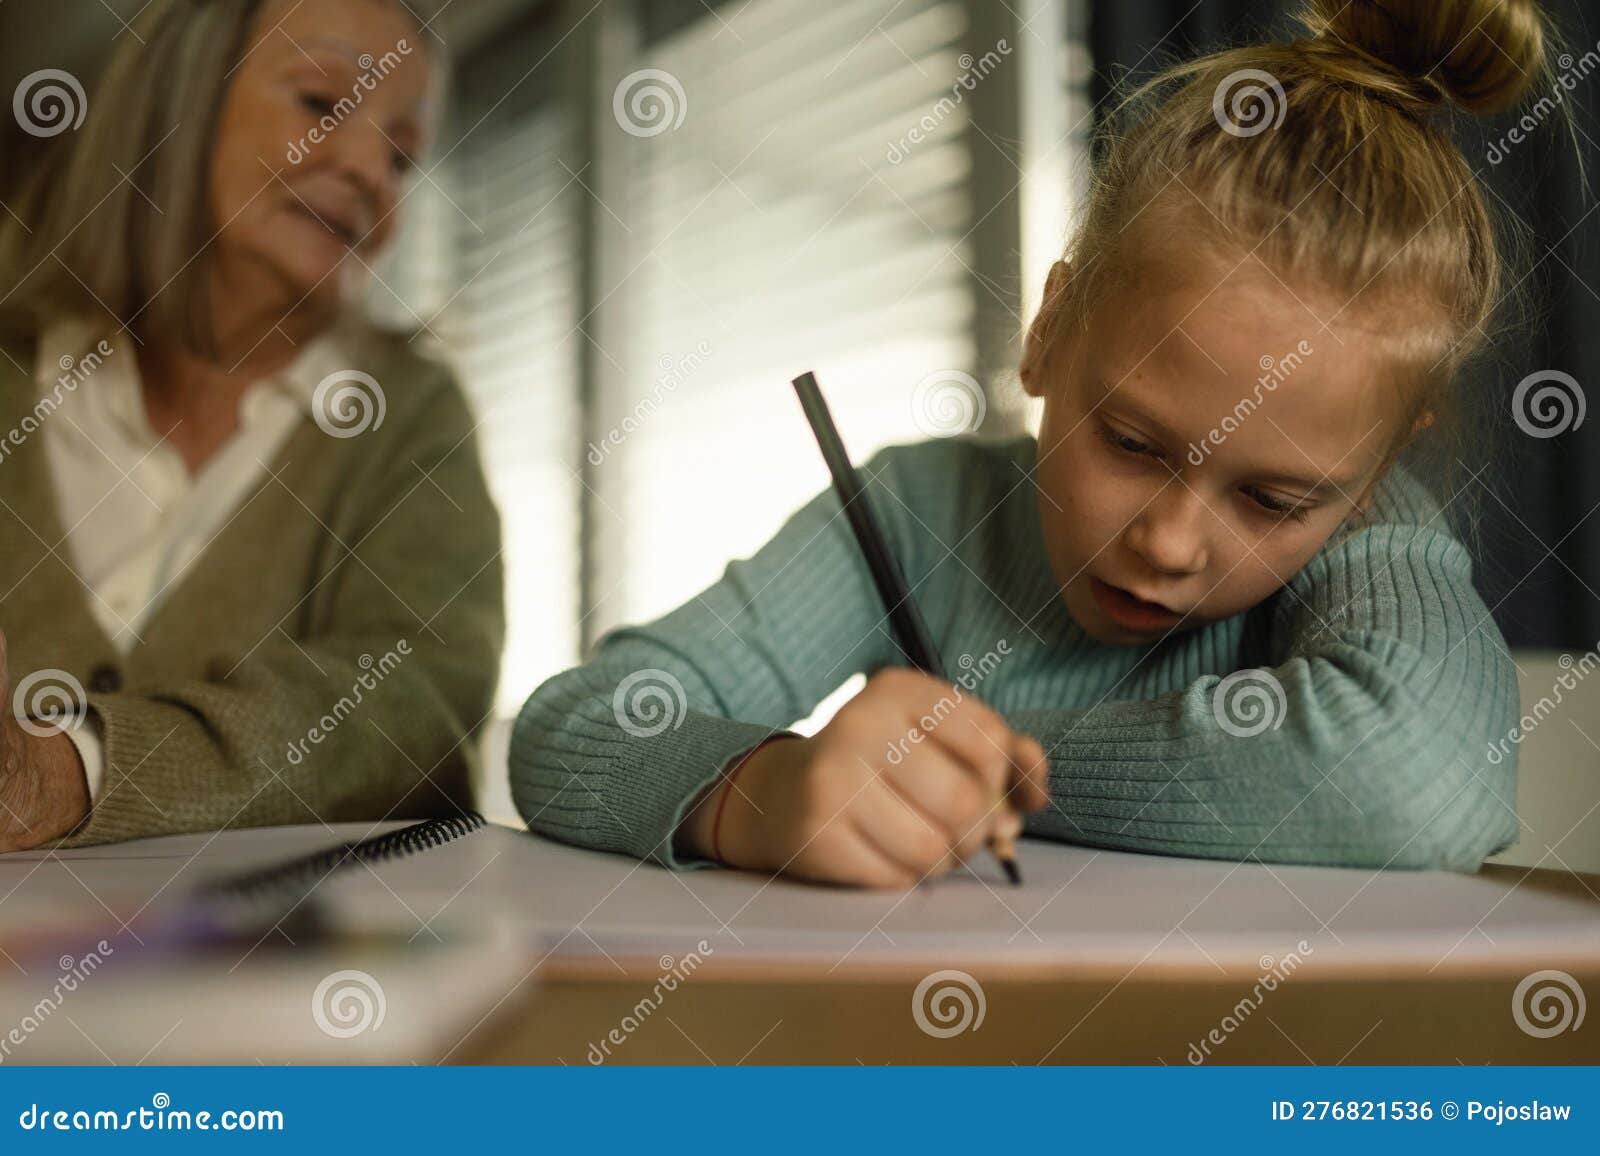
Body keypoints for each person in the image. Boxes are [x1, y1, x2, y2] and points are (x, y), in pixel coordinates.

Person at [510, 0, 1545, 885]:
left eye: (1273, 503)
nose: (1171, 543)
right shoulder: (921, 514)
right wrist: (763, 789)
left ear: (1368, 478)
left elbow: (1416, 777)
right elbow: (576, 726)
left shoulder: (1369, 533)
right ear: (1048, 330)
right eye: (1134, 443)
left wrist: (988, 765)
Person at [0, 0, 503, 850]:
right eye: (321, 103)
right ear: (178, 99)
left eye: (402, 155)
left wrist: (63, 772)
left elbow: (416, 711)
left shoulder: (410, 415)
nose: (368, 172)